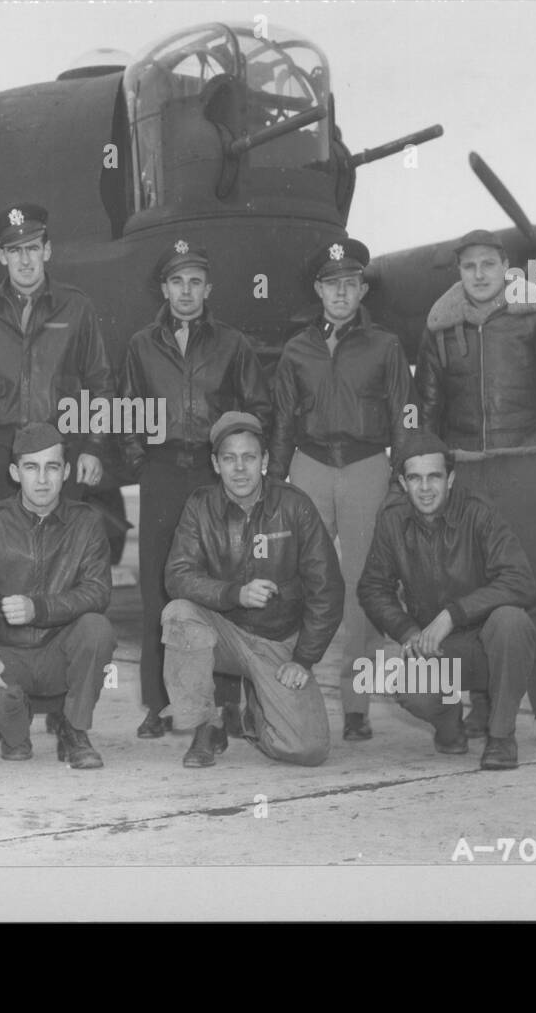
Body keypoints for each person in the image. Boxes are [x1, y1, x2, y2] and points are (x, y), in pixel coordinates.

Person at [415, 230, 536, 748]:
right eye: (469, 266)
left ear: (506, 267)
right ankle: (485, 704)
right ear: (459, 271)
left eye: (488, 264)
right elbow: (424, 412)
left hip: (533, 473)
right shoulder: (439, 328)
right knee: (471, 594)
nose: (478, 274)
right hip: (467, 476)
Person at [0, 203, 115, 743]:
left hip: (55, 445)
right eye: (13, 250)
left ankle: (66, 700)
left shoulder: (77, 307)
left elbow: (98, 380)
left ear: (47, 250)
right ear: (1, 256)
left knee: (63, 564)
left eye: (32, 248)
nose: (24, 259)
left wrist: (91, 445)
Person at [120, 239, 270, 740]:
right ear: (163, 288)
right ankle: (159, 704)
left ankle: (226, 703)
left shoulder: (233, 344)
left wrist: (234, 472)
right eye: (176, 281)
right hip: (163, 473)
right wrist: (144, 464)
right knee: (158, 587)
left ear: (208, 288)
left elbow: (256, 409)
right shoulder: (142, 344)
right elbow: (127, 412)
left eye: (195, 281)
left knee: (220, 583)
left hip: (213, 479)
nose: (186, 291)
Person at [269, 237, 413, 742]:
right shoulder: (297, 349)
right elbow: (283, 418)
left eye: (351, 284)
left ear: (361, 289)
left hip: (366, 466)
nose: (342, 293)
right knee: (290, 582)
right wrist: (275, 482)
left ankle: (356, 707)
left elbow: (403, 415)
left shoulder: (386, 346)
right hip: (308, 466)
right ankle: (278, 697)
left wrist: (399, 479)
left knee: (360, 591)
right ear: (318, 289)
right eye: (332, 285)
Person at [161, 412, 343, 768]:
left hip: (279, 642)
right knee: (179, 615)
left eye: (249, 457)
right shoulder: (200, 506)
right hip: (226, 632)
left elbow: (328, 588)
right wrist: (234, 593)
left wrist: (304, 658)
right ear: (215, 464)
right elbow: (178, 575)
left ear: (265, 460)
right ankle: (207, 727)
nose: (240, 468)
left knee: (308, 750)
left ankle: (254, 714)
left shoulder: (295, 505)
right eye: (229, 458)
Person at [357, 433, 536, 770]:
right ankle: (448, 723)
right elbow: (372, 587)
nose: (425, 488)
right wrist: (408, 632)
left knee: (513, 622)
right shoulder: (392, 521)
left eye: (434, 476)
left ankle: (500, 736)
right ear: (402, 482)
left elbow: (521, 580)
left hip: (488, 645)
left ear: (451, 478)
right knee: (399, 679)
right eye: (415, 478)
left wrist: (452, 615)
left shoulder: (478, 513)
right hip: (435, 649)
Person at [0, 423, 116, 769]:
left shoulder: (86, 523)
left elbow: (98, 591)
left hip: (58, 652)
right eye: (31, 467)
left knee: (97, 629)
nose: (42, 479)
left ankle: (75, 729)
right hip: (8, 654)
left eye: (52, 467)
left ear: (65, 472)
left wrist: (39, 608)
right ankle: (15, 732)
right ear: (14, 472)